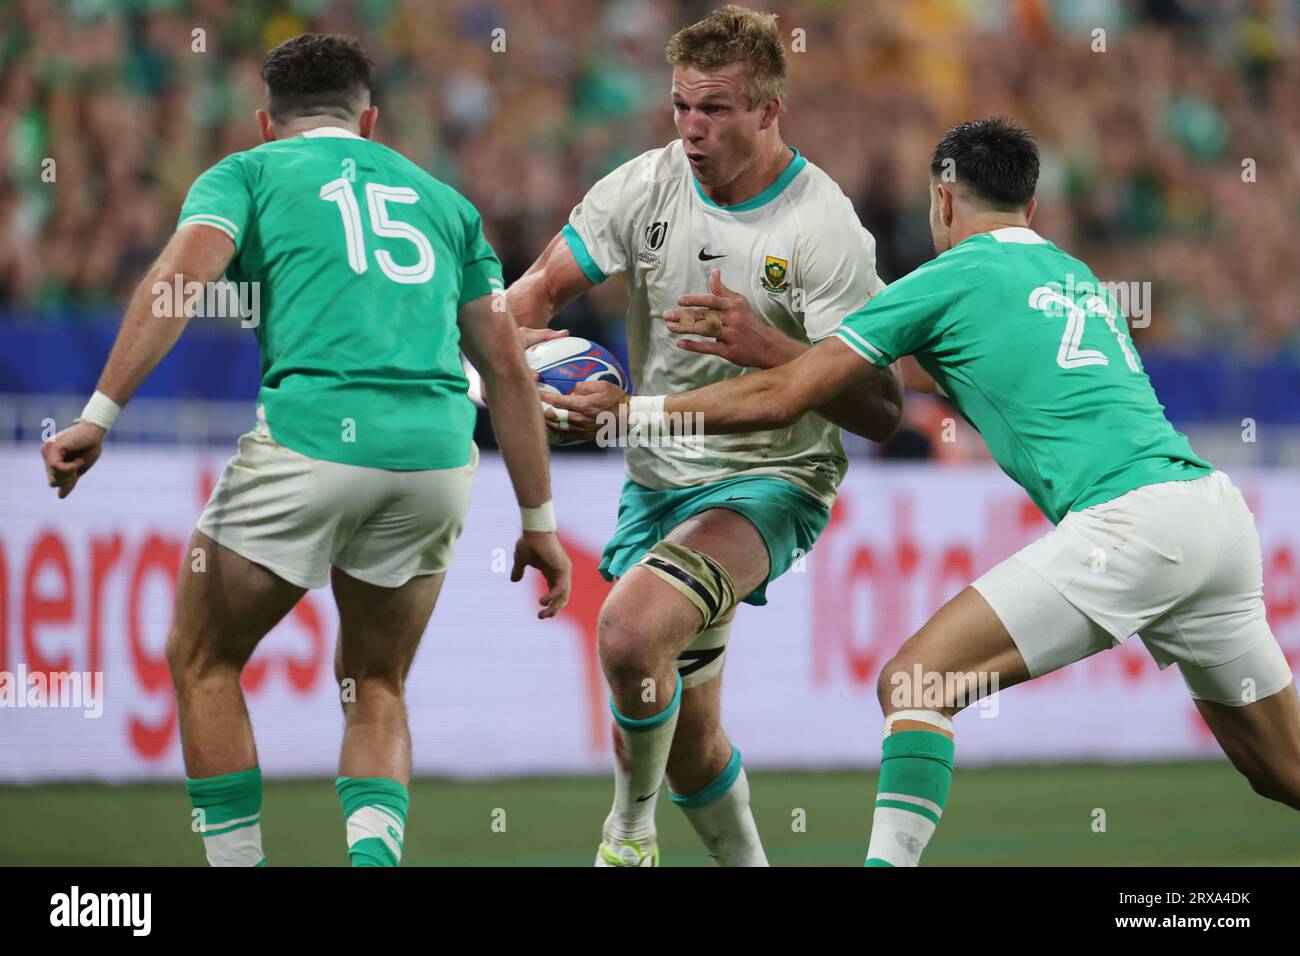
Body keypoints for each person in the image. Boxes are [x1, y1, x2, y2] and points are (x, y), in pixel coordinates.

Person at [549, 117, 1299, 866]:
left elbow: (787, 400)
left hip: (1130, 525)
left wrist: (629, 416)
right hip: (1215, 515)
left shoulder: (950, 277)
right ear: (1028, 208)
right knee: (1281, 771)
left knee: (916, 684)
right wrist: (779, 346)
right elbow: (924, 378)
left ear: (943, 200)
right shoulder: (1076, 278)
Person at [40, 33, 571, 867]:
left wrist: (98, 415)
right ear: (371, 119)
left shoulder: (247, 173)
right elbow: (505, 366)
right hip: (434, 458)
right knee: (377, 685)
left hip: (313, 440)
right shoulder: (444, 201)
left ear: (264, 121)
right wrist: (538, 520)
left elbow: (176, 285)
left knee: (203, 657)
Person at [506, 5, 900, 866]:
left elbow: (881, 408)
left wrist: (777, 350)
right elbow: (528, 299)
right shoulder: (643, 187)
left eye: (715, 109)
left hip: (774, 480)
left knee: (628, 630)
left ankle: (627, 835)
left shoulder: (821, 225)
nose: (691, 128)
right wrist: (523, 363)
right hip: (656, 481)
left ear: (769, 111)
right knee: (691, 747)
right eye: (681, 105)